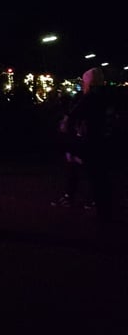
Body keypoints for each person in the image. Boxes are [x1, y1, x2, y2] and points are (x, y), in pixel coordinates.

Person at [61, 67, 118, 232]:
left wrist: (68, 131)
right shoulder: (111, 96)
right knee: (103, 176)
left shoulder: (89, 98)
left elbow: (71, 117)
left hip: (93, 141)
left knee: (95, 175)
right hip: (108, 140)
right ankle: (104, 207)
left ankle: (101, 212)